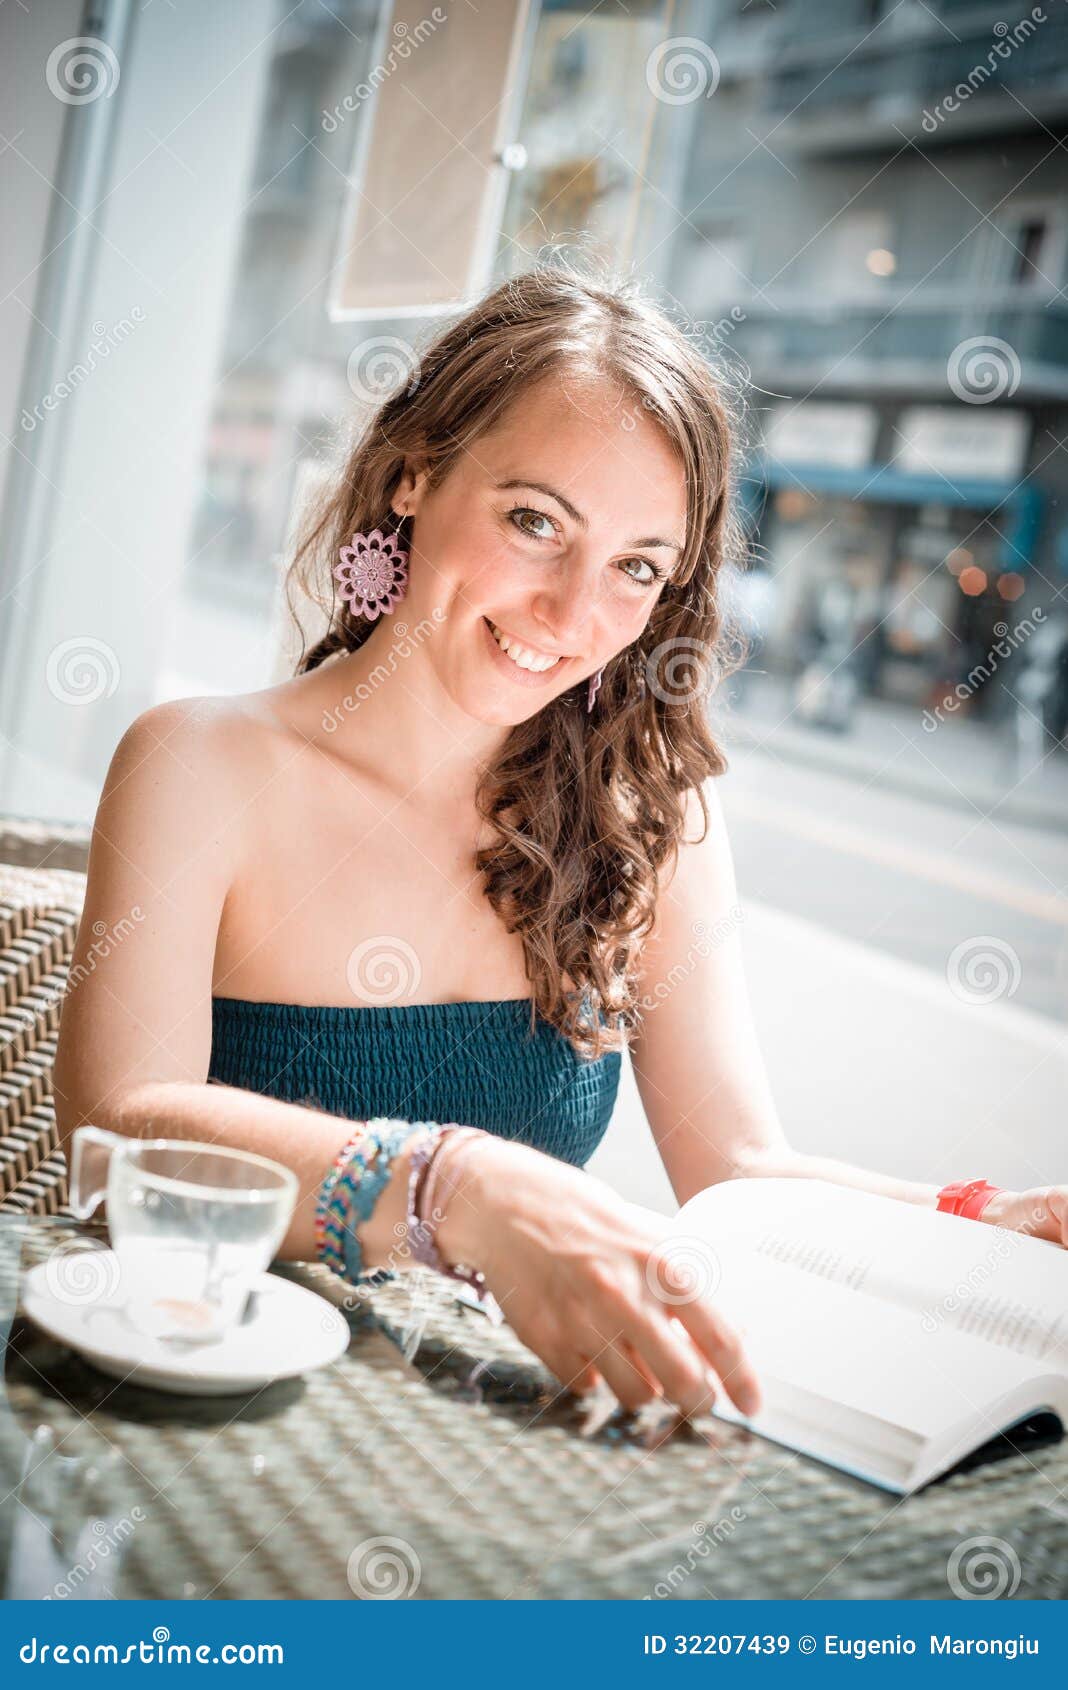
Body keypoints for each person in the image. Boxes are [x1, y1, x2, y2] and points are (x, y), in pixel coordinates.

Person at [52, 264, 1068, 1425]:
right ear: (412, 474)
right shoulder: (200, 765)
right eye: (536, 522)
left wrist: (976, 1218)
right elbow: (113, 1128)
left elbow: (737, 1171)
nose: (575, 616)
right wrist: (451, 1179)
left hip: (497, 1446)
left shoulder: (651, 813)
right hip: (213, 1412)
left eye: (637, 566)